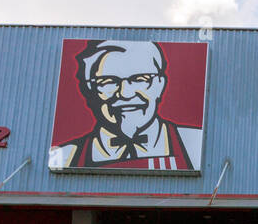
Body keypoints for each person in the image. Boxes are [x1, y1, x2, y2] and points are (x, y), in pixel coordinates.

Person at [55, 40, 202, 170]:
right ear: (90, 90)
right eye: (108, 82)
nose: (125, 94)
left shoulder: (195, 144)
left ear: (160, 85)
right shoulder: (65, 157)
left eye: (140, 79)